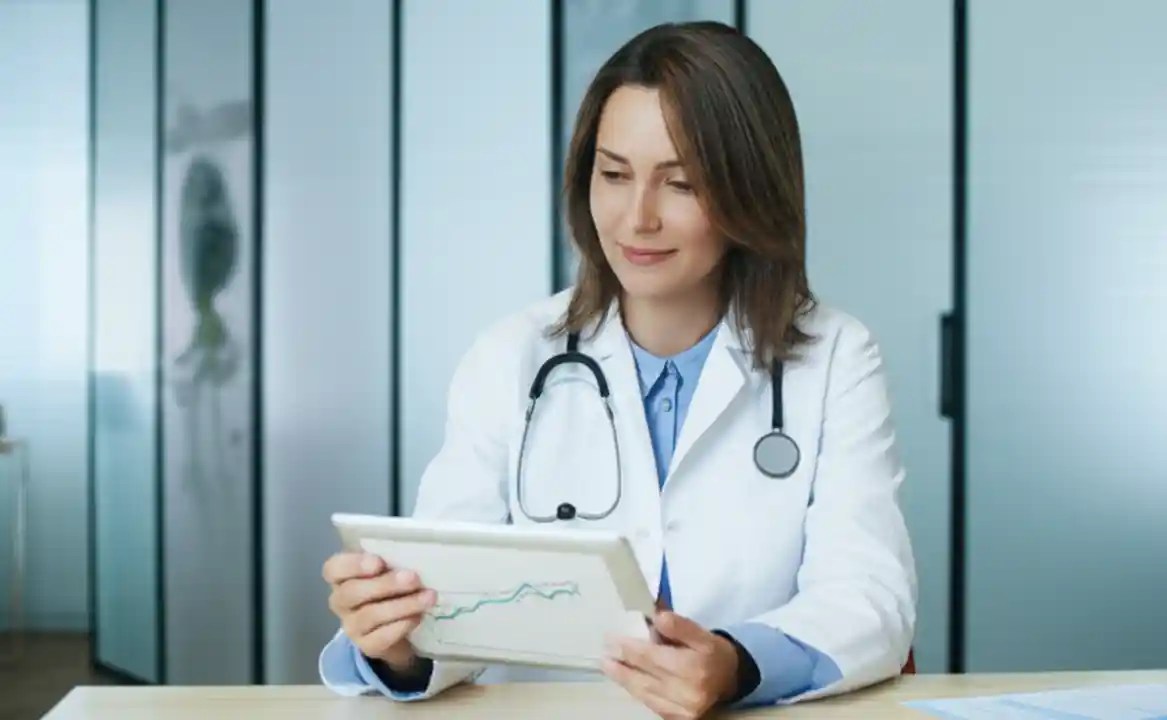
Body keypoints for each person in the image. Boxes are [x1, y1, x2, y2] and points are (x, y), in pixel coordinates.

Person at [318, 20, 916, 718]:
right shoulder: (511, 356)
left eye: (681, 184)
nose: (637, 218)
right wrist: (398, 642)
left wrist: (735, 664)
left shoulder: (836, 355)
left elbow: (869, 597)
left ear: (749, 190)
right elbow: (450, 597)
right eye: (613, 175)